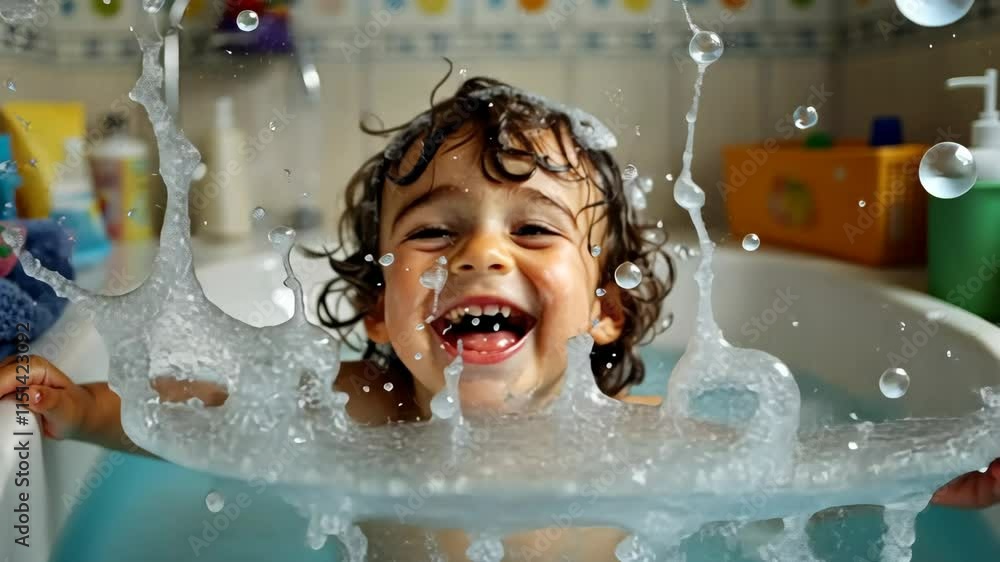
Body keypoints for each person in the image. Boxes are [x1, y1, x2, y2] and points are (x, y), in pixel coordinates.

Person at [0, 74, 994, 560]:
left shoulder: (640, 439)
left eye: (532, 229)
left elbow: (796, 475)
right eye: (434, 233)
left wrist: (927, 476)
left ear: (603, 312)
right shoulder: (363, 409)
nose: (481, 253)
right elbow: (199, 419)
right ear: (384, 315)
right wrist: (83, 406)